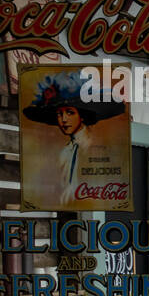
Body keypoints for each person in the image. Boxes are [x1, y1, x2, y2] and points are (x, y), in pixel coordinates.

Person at [21, 70, 126, 206]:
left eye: (70, 113)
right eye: (59, 114)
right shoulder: (65, 152)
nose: (63, 120)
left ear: (82, 115)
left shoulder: (96, 148)